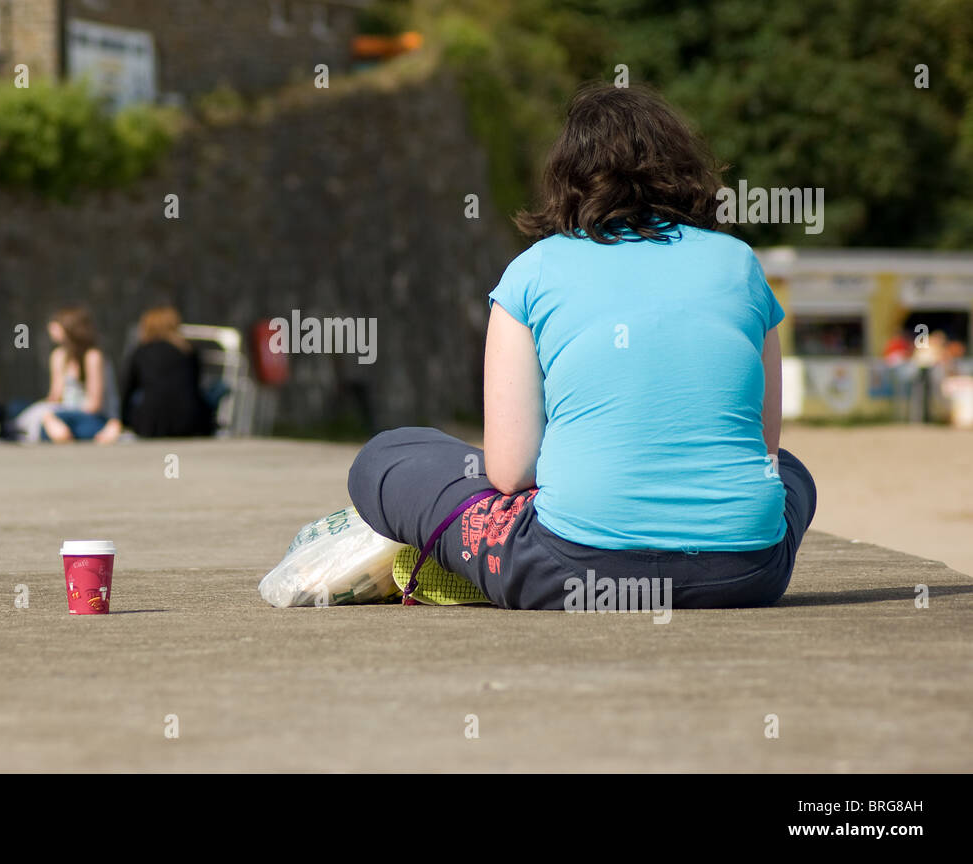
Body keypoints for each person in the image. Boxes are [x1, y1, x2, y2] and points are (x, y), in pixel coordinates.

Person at [348, 83, 817, 610]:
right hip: (744, 573)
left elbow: (510, 471)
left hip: (576, 571)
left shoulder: (533, 271)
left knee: (387, 456)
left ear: (567, 178)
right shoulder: (741, 265)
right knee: (795, 473)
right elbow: (766, 451)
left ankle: (470, 552)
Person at [17, 305, 123, 444]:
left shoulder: (92, 356)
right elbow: (56, 396)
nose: (51, 327)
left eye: (57, 323)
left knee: (66, 424)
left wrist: (57, 416)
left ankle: (63, 430)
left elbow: (94, 404)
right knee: (18, 407)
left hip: (90, 416)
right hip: (63, 413)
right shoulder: (58, 356)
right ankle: (58, 429)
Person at [121, 306, 214, 438]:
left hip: (151, 422)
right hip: (190, 420)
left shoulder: (141, 352)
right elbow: (196, 386)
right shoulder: (188, 351)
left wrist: (123, 420)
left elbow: (128, 389)